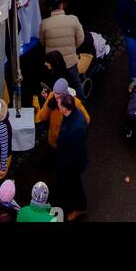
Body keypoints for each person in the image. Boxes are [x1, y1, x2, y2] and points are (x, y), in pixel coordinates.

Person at [39, 0, 86, 97]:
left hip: (54, 65)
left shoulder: (44, 23)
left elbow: (42, 42)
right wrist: (72, 49)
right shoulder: (73, 19)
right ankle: (81, 104)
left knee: (57, 87)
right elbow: (81, 38)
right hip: (70, 62)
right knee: (76, 83)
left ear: (50, 8)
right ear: (62, 5)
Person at [52, 90, 89, 220]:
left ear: (65, 108)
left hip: (72, 165)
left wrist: (64, 166)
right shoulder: (75, 114)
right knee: (72, 185)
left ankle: (79, 208)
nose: (57, 104)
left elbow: (74, 153)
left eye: (59, 104)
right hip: (68, 161)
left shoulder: (76, 128)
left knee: (75, 186)